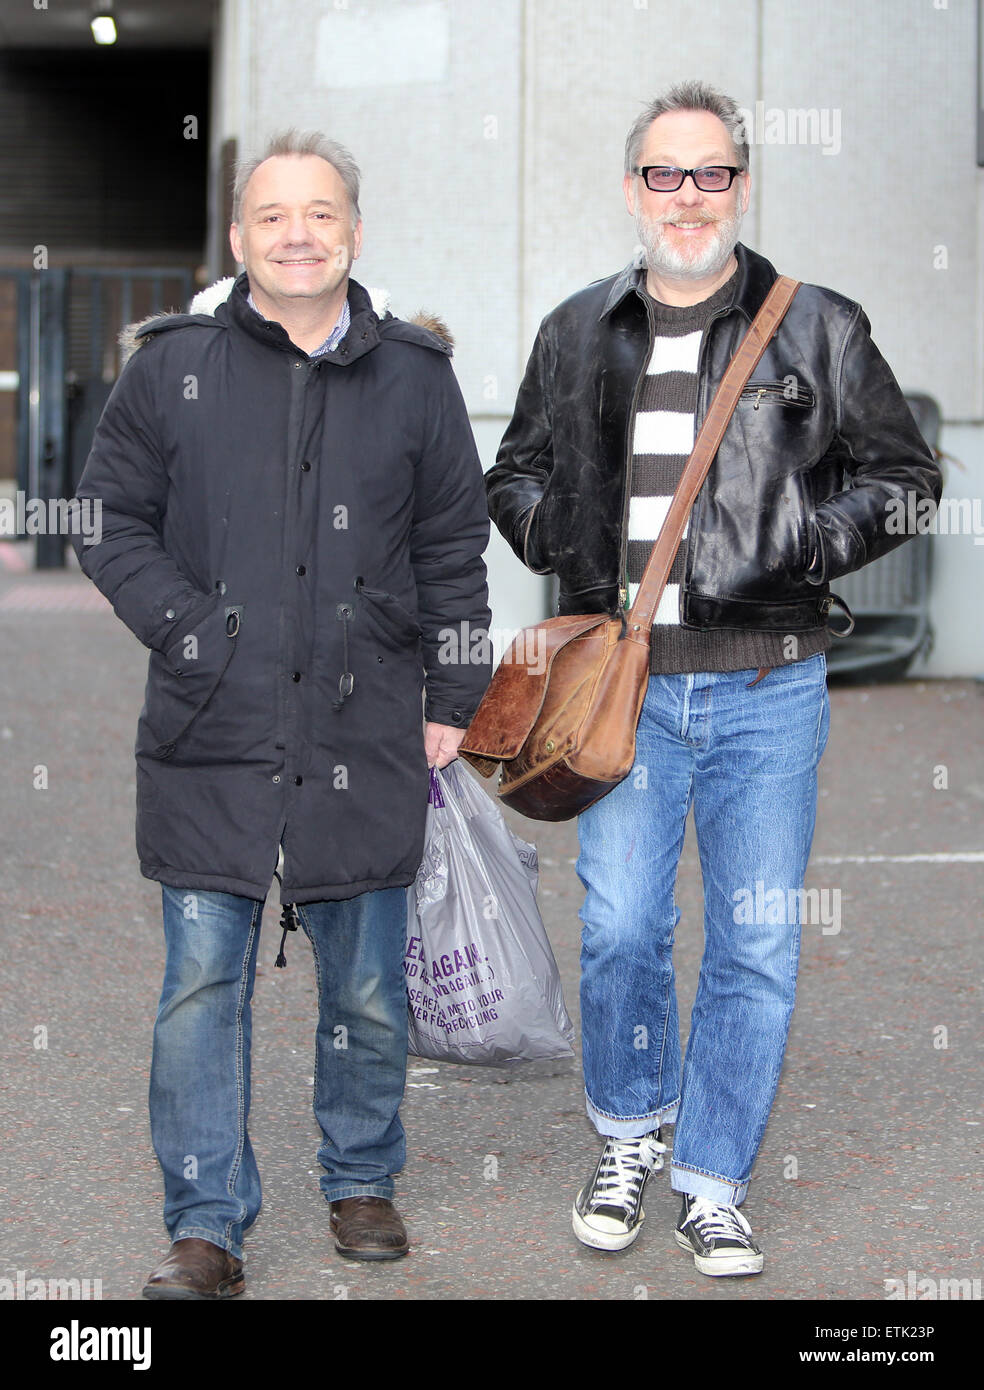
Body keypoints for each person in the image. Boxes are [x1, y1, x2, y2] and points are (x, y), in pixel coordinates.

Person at [484, 81, 941, 1277]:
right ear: (631, 186)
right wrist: (569, 540)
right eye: (663, 173)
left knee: (755, 944)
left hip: (766, 686)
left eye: (711, 173)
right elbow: (511, 474)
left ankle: (714, 1176)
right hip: (620, 696)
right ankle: (631, 1134)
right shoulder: (579, 328)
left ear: (743, 182)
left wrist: (808, 538)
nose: (687, 195)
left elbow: (907, 476)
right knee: (625, 926)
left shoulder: (820, 326)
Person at [73, 130, 491, 1297]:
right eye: (272, 214)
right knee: (204, 983)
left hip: (367, 729)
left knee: (365, 979)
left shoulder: (415, 374)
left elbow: (455, 549)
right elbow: (108, 520)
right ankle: (206, 1218)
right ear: (240, 236)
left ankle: (361, 1175)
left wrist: (455, 693)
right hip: (212, 725)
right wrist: (193, 629)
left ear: (355, 231)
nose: (296, 232)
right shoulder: (173, 365)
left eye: (320, 212)